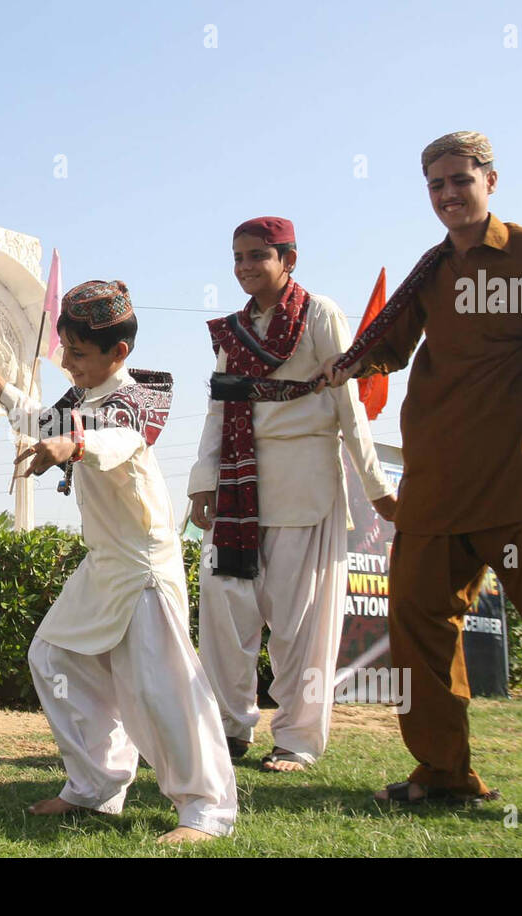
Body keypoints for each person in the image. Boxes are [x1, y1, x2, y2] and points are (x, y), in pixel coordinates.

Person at [318, 131, 522, 839]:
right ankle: (443, 773)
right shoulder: (430, 271)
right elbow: (385, 352)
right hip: (434, 482)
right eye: (435, 185)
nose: (447, 195)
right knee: (418, 630)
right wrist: (333, 364)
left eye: (460, 180)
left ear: (491, 180)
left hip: (521, 480)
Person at [0, 279, 237, 845]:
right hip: (103, 565)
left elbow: (119, 439)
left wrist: (74, 446)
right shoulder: (81, 399)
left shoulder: (130, 401)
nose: (68, 363)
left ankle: (206, 810)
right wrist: (0, 388)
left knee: (162, 688)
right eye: (65, 351)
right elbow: (44, 424)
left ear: (120, 353)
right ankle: (96, 787)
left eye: (80, 354)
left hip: (142, 567)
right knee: (55, 657)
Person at [187, 216, 397, 773]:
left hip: (304, 481)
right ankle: (229, 729)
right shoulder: (233, 331)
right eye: (237, 257)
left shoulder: (320, 313)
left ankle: (297, 740)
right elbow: (218, 406)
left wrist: (375, 485)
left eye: (257, 256)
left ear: (289, 260)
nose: (244, 267)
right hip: (237, 485)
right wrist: (202, 482)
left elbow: (348, 401)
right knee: (225, 610)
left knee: (300, 621)